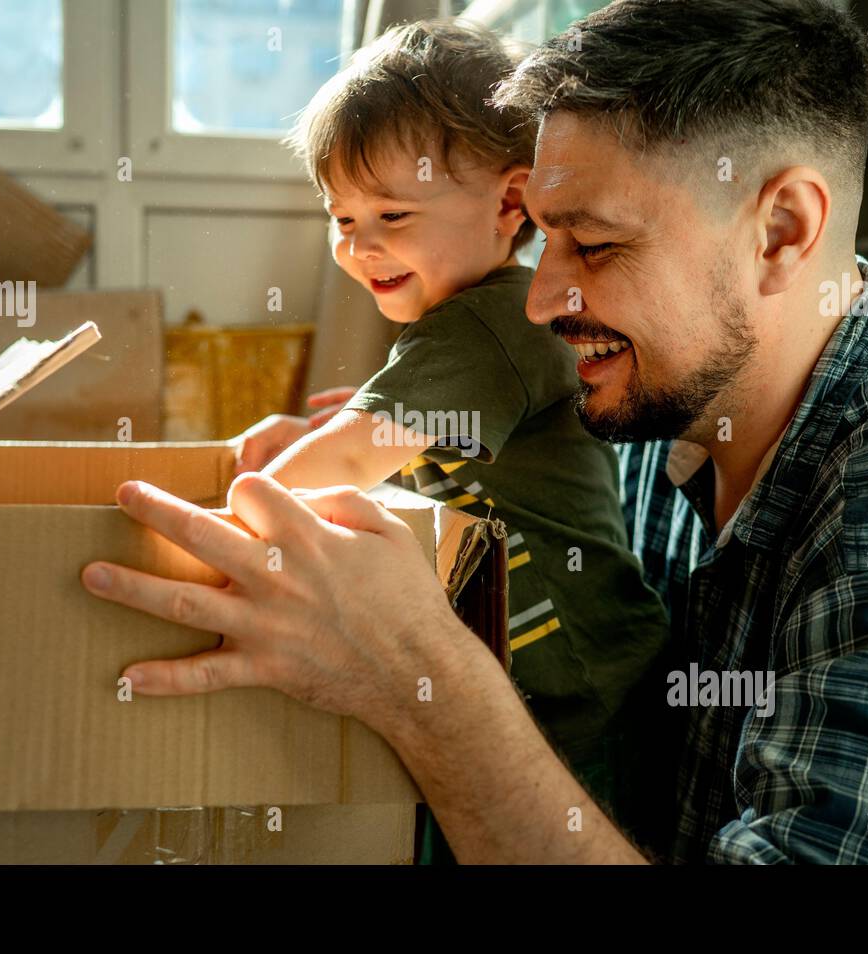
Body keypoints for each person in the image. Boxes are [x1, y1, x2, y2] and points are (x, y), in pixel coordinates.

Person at [82, 0, 868, 863]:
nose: (543, 299)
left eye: (594, 244)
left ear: (779, 232)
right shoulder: (654, 387)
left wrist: (425, 686)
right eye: (541, 236)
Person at [236, 20, 669, 860]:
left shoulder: (490, 322)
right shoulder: (466, 320)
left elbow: (361, 456)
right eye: (342, 217)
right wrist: (322, 432)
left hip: (581, 683)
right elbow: (398, 443)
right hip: (545, 673)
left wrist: (233, 515)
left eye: (392, 213)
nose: (360, 245)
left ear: (510, 204)